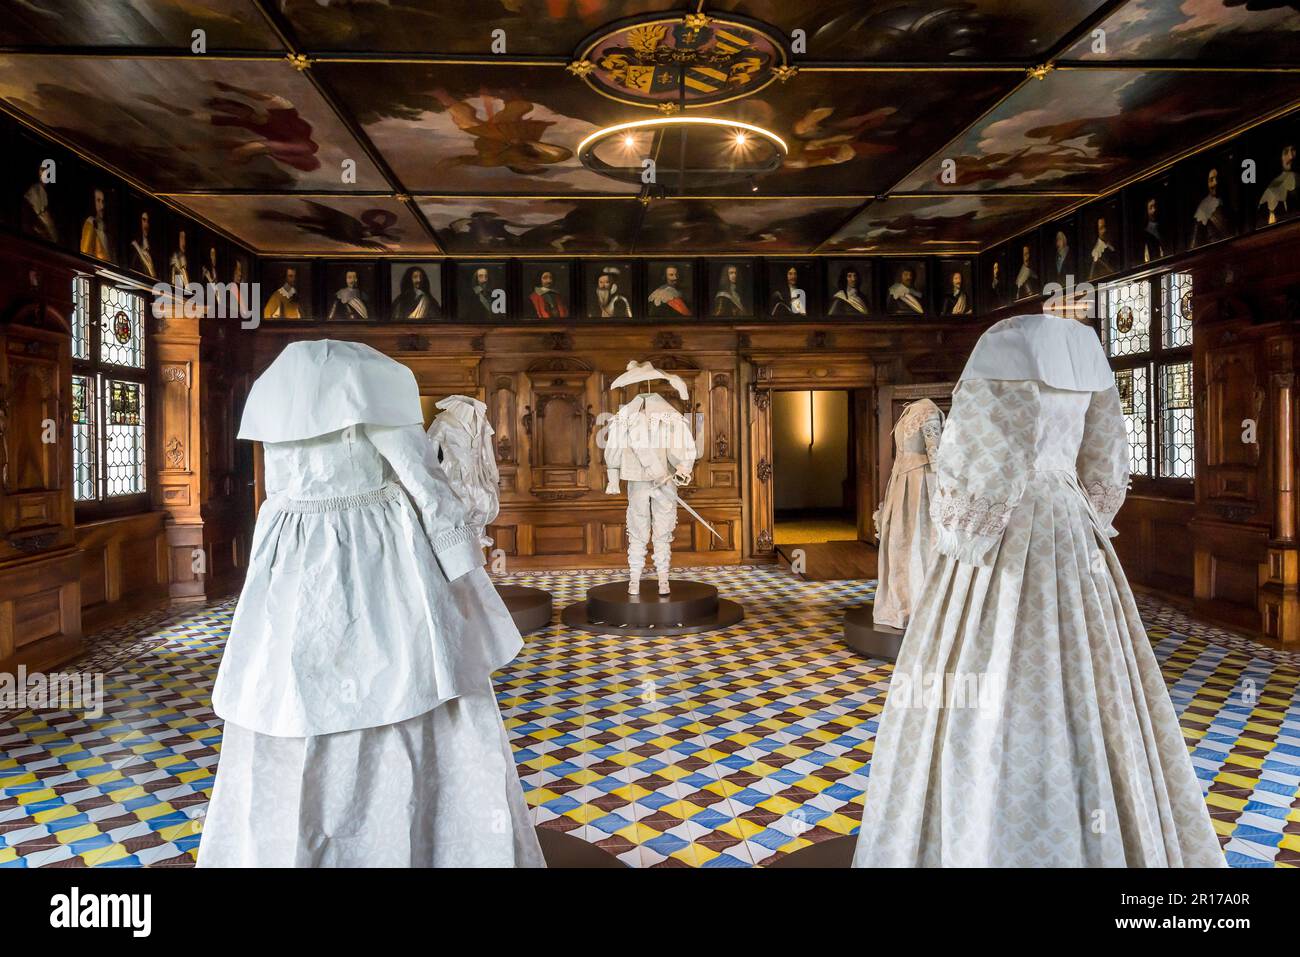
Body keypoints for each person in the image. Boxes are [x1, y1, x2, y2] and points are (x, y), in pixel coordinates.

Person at [853, 309, 1224, 867]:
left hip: (1009, 522)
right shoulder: (1087, 352)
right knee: (1093, 676)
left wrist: (960, 531)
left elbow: (984, 457)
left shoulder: (1006, 343)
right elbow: (1105, 455)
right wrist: (1090, 513)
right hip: (1072, 520)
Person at [199, 340, 543, 868]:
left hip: (292, 557)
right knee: (411, 685)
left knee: (290, 694)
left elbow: (279, 492)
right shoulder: (370, 389)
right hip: (378, 554)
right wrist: (461, 565)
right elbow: (423, 481)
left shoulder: (277, 394)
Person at [604, 361, 698, 595]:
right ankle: (634, 578)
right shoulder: (625, 417)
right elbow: (613, 449)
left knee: (663, 530)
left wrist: (682, 469)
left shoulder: (669, 417)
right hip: (636, 480)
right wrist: (613, 477)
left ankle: (663, 578)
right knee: (638, 529)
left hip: (663, 480)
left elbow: (683, 448)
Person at [872, 399, 944, 630]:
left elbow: (934, 454)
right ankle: (906, 603)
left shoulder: (922, 410)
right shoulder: (923, 410)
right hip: (916, 481)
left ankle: (914, 602)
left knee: (912, 541)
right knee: (910, 541)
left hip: (913, 481)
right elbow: (936, 456)